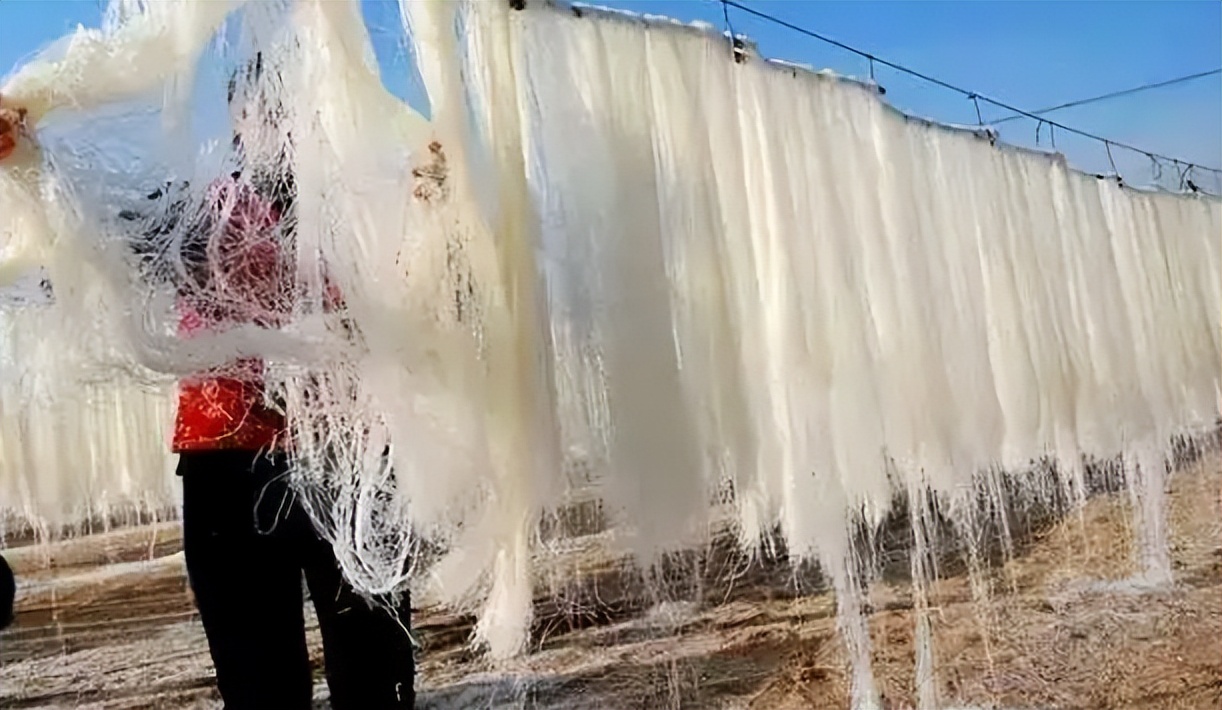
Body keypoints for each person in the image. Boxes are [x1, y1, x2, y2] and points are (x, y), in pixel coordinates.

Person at [1, 63, 416, 708]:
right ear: (239, 122)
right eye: (263, 107)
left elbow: (446, 279)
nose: (282, 120)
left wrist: (447, 199)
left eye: (298, 103)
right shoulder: (199, 212)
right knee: (259, 683)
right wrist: (29, 155)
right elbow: (98, 225)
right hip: (227, 467)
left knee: (377, 676)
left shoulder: (373, 215)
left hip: (352, 461)